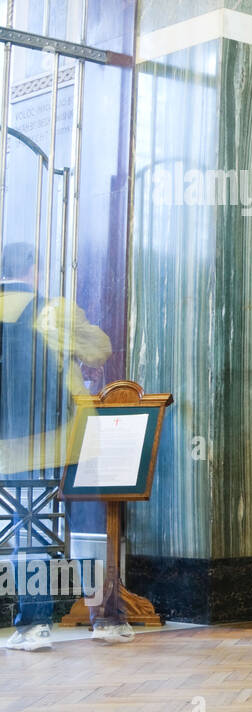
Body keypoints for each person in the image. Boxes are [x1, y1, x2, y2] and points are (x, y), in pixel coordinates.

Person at [0, 241, 126, 649]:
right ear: (35, 268)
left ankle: (32, 626)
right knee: (88, 527)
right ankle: (103, 619)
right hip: (69, 440)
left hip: (11, 447)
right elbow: (100, 349)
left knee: (28, 532)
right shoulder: (52, 311)